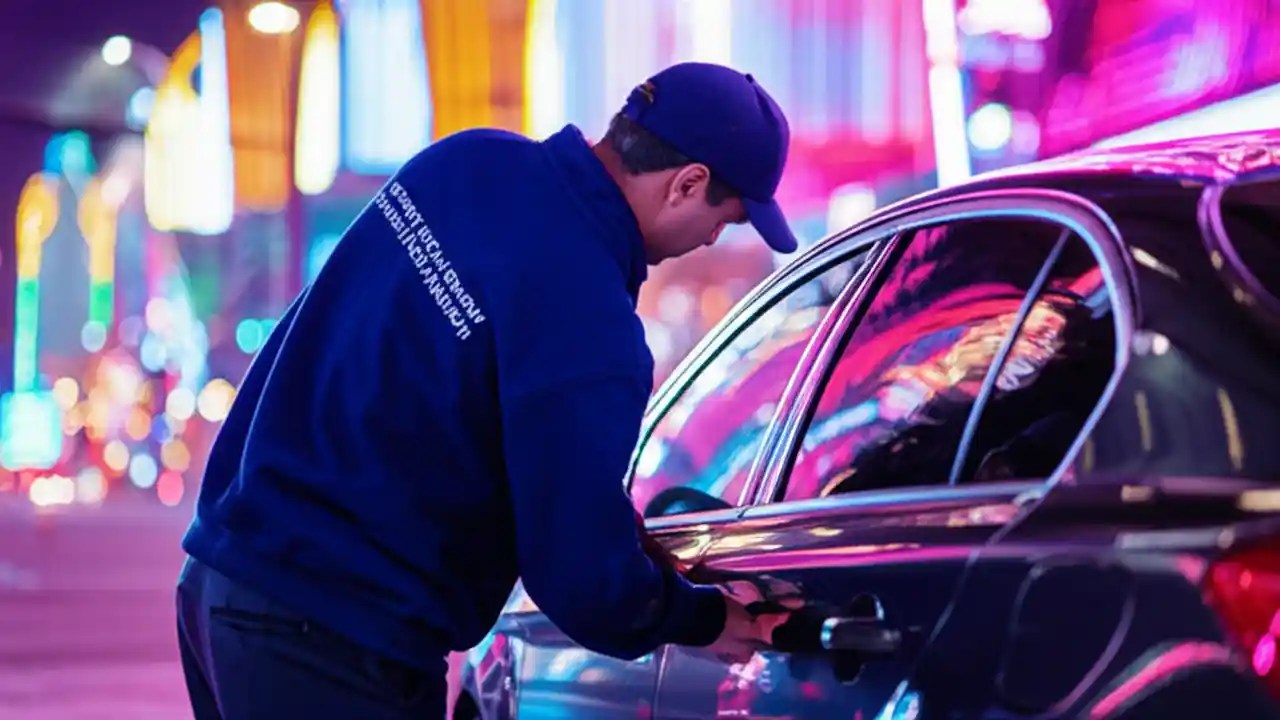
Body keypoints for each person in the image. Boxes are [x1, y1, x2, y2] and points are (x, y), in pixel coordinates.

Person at [175, 61, 799, 719]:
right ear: (687, 183)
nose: (709, 240)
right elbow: (583, 581)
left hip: (220, 583)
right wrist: (701, 617)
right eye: (725, 220)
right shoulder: (589, 320)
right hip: (332, 638)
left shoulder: (466, 161)